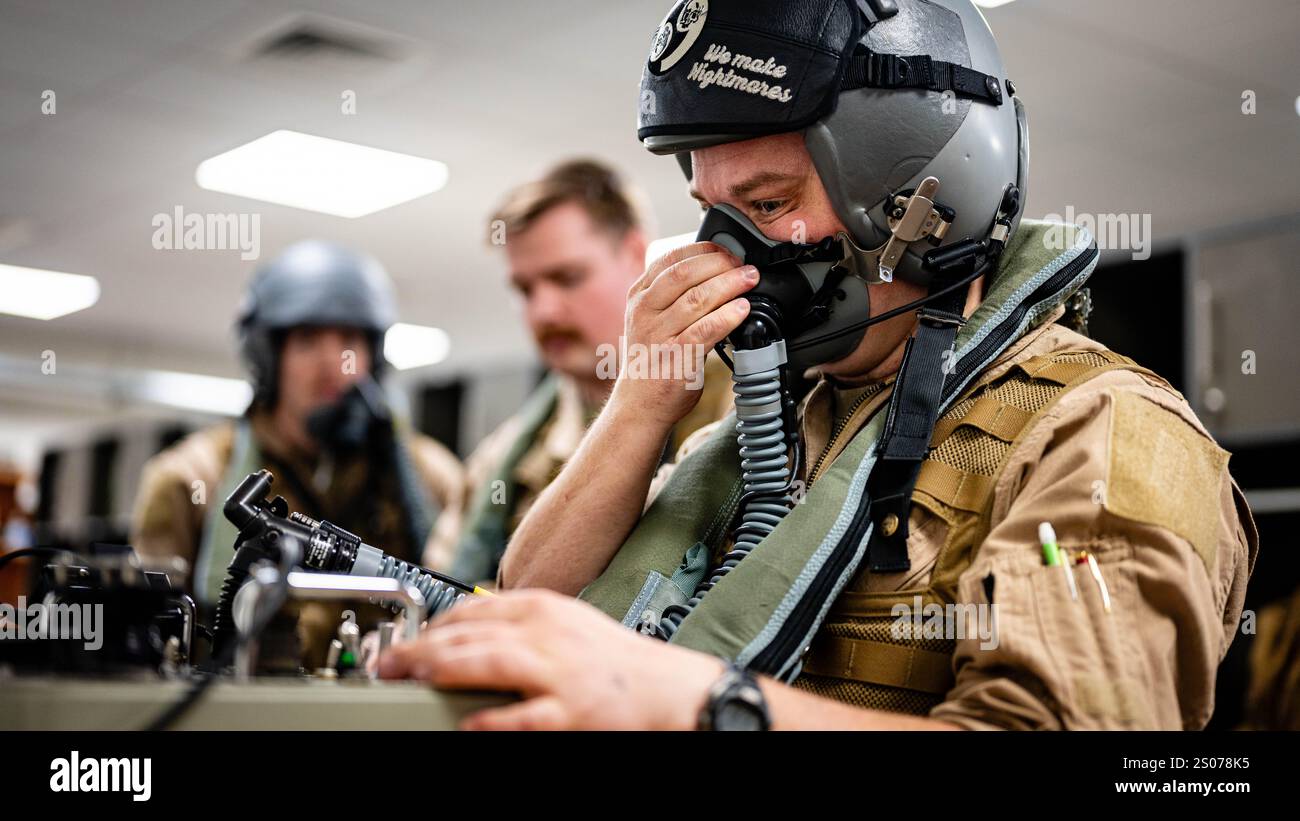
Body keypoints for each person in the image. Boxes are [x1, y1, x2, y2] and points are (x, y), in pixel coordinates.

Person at [381, 0, 1257, 730]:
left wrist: (692, 701)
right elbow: (531, 606)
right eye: (714, 212)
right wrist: (642, 405)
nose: (730, 253)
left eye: (767, 203)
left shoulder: (1102, 430)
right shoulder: (772, 428)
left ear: (925, 200)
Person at [132, 240, 464, 668]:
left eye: (348, 340)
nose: (331, 362)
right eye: (307, 339)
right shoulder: (192, 478)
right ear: (269, 356)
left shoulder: (428, 477)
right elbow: (152, 645)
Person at [430, 159, 733, 585]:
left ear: (633, 254)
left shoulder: (743, 400)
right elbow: (439, 598)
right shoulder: (500, 463)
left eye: (567, 277)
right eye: (525, 289)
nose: (542, 311)